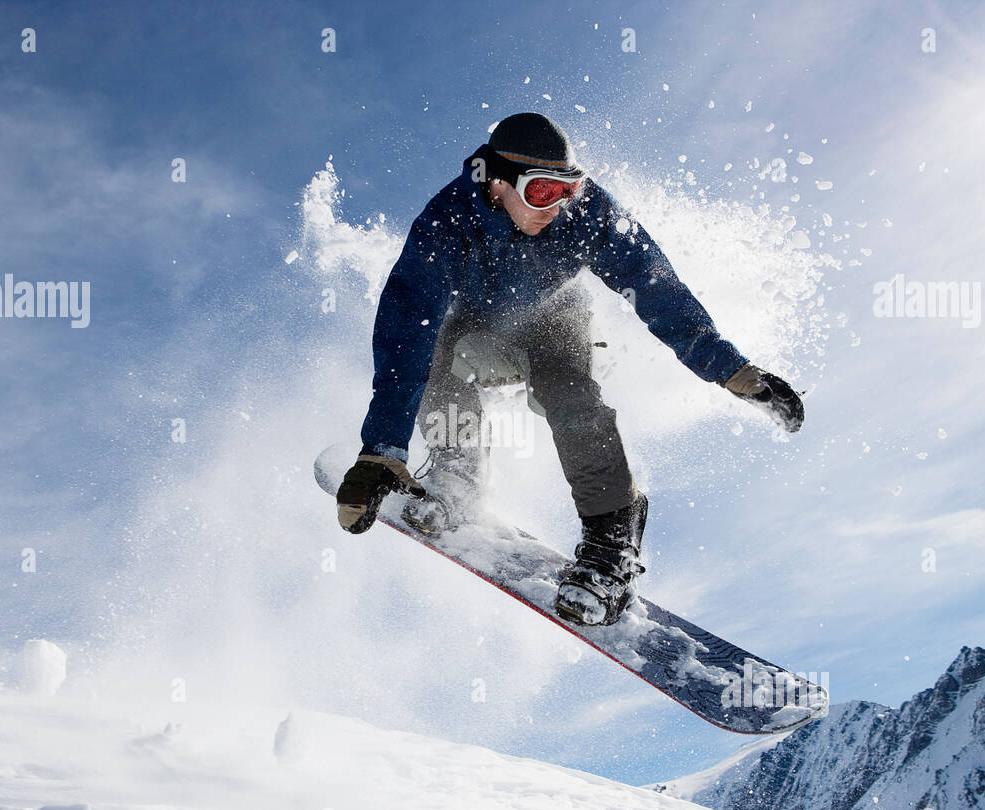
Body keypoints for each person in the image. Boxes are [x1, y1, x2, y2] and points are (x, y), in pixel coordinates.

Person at [335, 112, 804, 626]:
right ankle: (459, 476)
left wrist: (728, 368)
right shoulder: (445, 222)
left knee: (571, 395)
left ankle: (611, 544)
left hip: (554, 320)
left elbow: (654, 286)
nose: (557, 207)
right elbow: (408, 328)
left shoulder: (588, 214)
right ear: (498, 180)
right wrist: (382, 449)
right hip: (475, 326)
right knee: (434, 354)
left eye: (569, 190)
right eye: (541, 193)